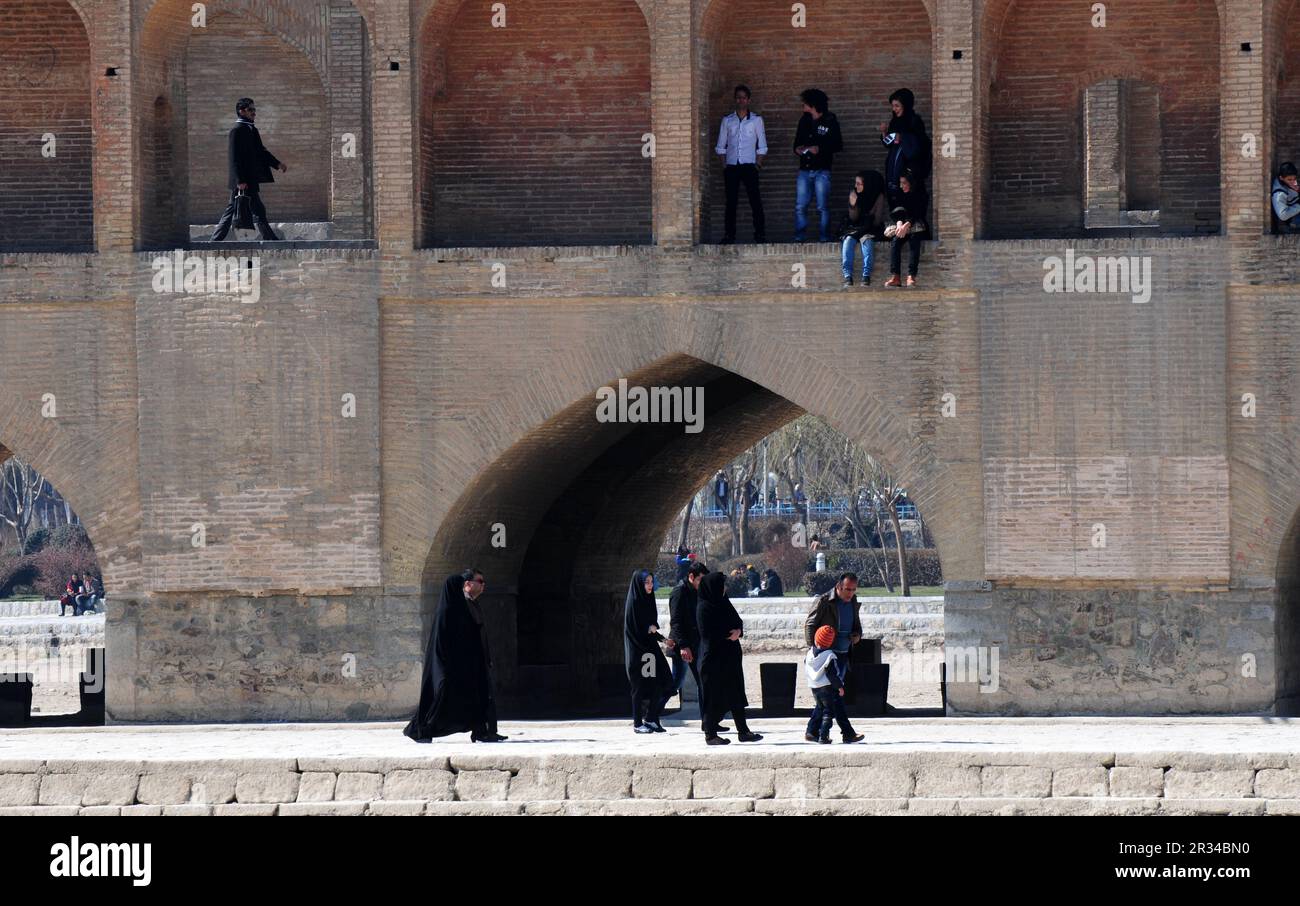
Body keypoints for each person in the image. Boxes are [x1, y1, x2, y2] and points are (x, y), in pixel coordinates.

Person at [404, 568, 507, 743]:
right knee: (442, 695)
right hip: (450, 665)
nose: (484, 585)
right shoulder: (447, 613)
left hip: (470, 663)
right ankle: (421, 729)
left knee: (479, 695)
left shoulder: (466, 608)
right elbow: (443, 642)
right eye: (480, 581)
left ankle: (482, 731)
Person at [696, 571, 763, 745]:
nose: (724, 588)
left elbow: (737, 621)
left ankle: (743, 731)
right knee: (713, 697)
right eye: (722, 585)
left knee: (736, 694)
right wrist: (729, 634)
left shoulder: (724, 602)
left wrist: (738, 631)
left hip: (730, 658)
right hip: (713, 660)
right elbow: (707, 633)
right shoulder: (704, 607)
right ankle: (710, 734)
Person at [211, 97, 287, 242]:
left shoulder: (251, 129)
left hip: (250, 178)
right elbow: (234, 157)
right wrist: (239, 180)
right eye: (251, 110)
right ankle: (270, 239)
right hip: (243, 180)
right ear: (242, 111)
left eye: (254, 110)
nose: (254, 113)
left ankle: (269, 238)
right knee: (249, 209)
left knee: (250, 209)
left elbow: (261, 151)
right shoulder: (237, 130)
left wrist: (277, 164)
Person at [802, 572, 865, 743]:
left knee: (828, 697)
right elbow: (810, 624)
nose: (850, 593)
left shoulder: (852, 601)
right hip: (828, 654)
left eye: (853, 590)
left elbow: (856, 625)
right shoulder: (824, 601)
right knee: (835, 695)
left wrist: (857, 635)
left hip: (843, 654)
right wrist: (815, 649)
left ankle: (812, 730)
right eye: (847, 589)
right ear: (838, 587)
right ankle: (847, 732)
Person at [660, 561, 719, 723]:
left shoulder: (697, 591)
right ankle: (652, 713)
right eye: (701, 580)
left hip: (696, 644)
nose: (703, 584)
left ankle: (708, 722)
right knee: (676, 683)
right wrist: (684, 646)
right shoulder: (679, 592)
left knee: (703, 682)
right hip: (683, 646)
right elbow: (676, 622)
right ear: (691, 577)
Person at [715, 84, 768, 244]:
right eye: (738, 97)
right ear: (735, 99)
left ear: (748, 100)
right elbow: (720, 145)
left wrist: (757, 165)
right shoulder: (727, 120)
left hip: (749, 166)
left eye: (744, 97)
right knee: (731, 202)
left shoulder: (756, 120)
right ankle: (729, 235)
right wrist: (725, 166)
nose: (741, 100)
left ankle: (760, 235)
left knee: (755, 201)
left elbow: (762, 146)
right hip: (732, 166)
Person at [792, 88, 843, 243]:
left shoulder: (830, 119)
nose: (803, 105)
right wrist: (798, 149)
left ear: (813, 104)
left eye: (805, 102)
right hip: (805, 170)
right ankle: (800, 236)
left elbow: (838, 145)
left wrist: (820, 149)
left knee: (822, 207)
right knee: (800, 206)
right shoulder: (804, 120)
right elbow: (797, 142)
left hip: (822, 170)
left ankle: (824, 237)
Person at [624, 569, 670, 733]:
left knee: (661, 683)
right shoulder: (634, 602)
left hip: (650, 650)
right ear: (639, 584)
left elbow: (651, 629)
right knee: (639, 687)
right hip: (638, 651)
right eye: (646, 582)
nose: (650, 585)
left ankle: (651, 718)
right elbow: (635, 627)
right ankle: (638, 724)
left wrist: (663, 640)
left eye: (651, 582)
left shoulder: (648, 599)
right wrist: (647, 628)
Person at [880, 87, 931, 208]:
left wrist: (903, 137)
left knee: (910, 199)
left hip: (909, 168)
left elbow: (921, 145)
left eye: (897, 106)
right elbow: (889, 143)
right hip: (894, 166)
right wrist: (884, 133)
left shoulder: (914, 121)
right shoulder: (894, 122)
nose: (894, 109)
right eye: (893, 106)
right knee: (896, 200)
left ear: (905, 105)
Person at [840, 170, 888, 287]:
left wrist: (870, 214)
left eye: (859, 183)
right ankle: (848, 276)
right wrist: (853, 205)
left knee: (867, 242)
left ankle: (866, 276)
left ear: (867, 184)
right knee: (848, 241)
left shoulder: (878, 196)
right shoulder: (855, 194)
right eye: (855, 183)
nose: (856, 186)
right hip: (855, 226)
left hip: (870, 227)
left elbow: (876, 221)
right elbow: (853, 218)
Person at [805, 625, 851, 744]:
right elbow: (832, 675)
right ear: (830, 642)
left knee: (820, 708)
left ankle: (811, 731)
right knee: (828, 712)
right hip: (826, 687)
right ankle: (823, 736)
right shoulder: (829, 655)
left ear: (816, 639)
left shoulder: (809, 653)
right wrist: (840, 686)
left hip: (814, 686)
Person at [884, 170, 929, 288]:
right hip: (902, 226)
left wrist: (907, 224)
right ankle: (896, 277)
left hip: (917, 227)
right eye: (900, 183)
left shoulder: (920, 194)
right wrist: (899, 224)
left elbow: (919, 212)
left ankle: (911, 276)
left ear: (911, 182)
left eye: (904, 183)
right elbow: (897, 211)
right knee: (895, 242)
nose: (901, 185)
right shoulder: (899, 194)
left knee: (914, 242)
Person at [1273, 162, 1300, 233]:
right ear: (1281, 178)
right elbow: (1283, 215)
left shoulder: (1286, 181)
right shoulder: (1279, 194)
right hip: (1293, 220)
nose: (1293, 182)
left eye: (1294, 179)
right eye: (1290, 180)